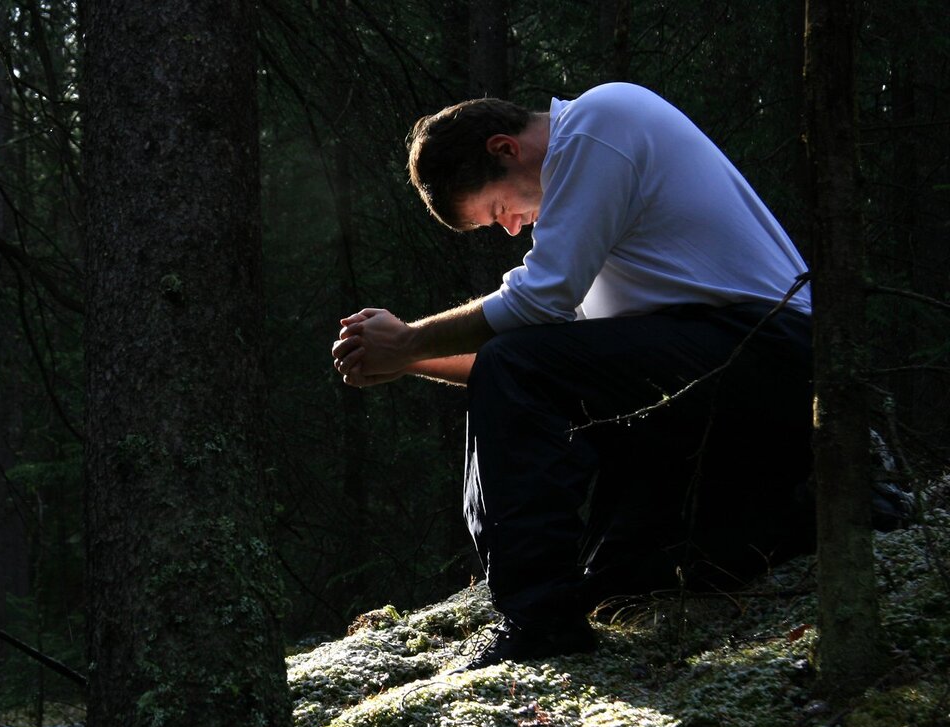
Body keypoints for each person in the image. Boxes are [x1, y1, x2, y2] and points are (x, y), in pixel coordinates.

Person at [331, 82, 815, 670]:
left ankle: (537, 620)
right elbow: (541, 364)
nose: (512, 229)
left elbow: (536, 311)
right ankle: (801, 504)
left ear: (505, 148)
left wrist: (409, 339)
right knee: (621, 581)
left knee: (519, 360)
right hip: (725, 376)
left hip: (767, 352)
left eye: (497, 211)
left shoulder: (601, 120)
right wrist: (407, 360)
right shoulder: (596, 209)